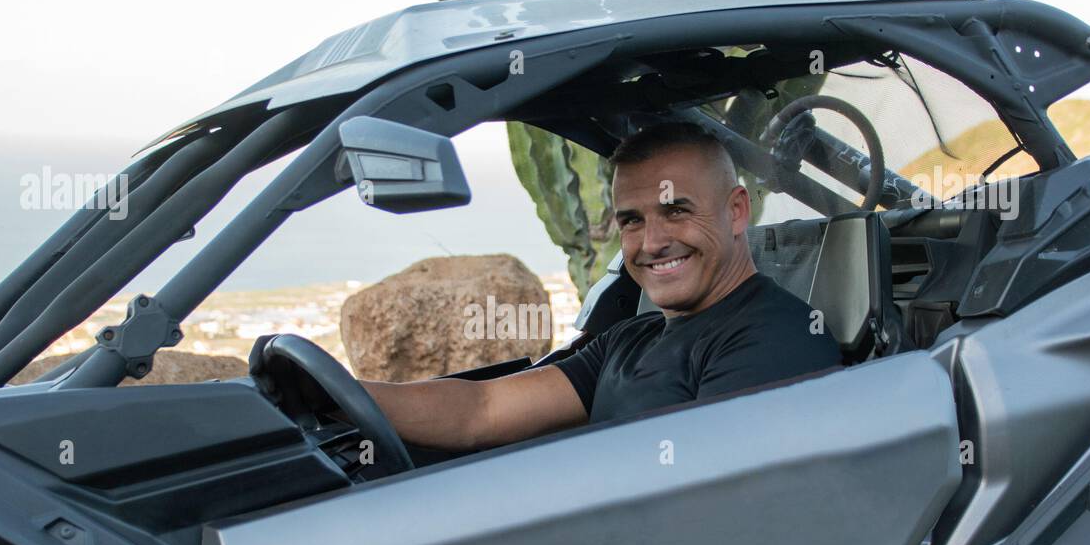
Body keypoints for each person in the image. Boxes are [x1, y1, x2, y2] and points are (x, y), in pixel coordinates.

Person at [358, 121, 842, 450]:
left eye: (676, 211)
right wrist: (334, 394)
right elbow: (480, 409)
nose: (652, 242)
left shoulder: (775, 340)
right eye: (632, 221)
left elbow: (699, 506)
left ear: (737, 211)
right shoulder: (632, 338)